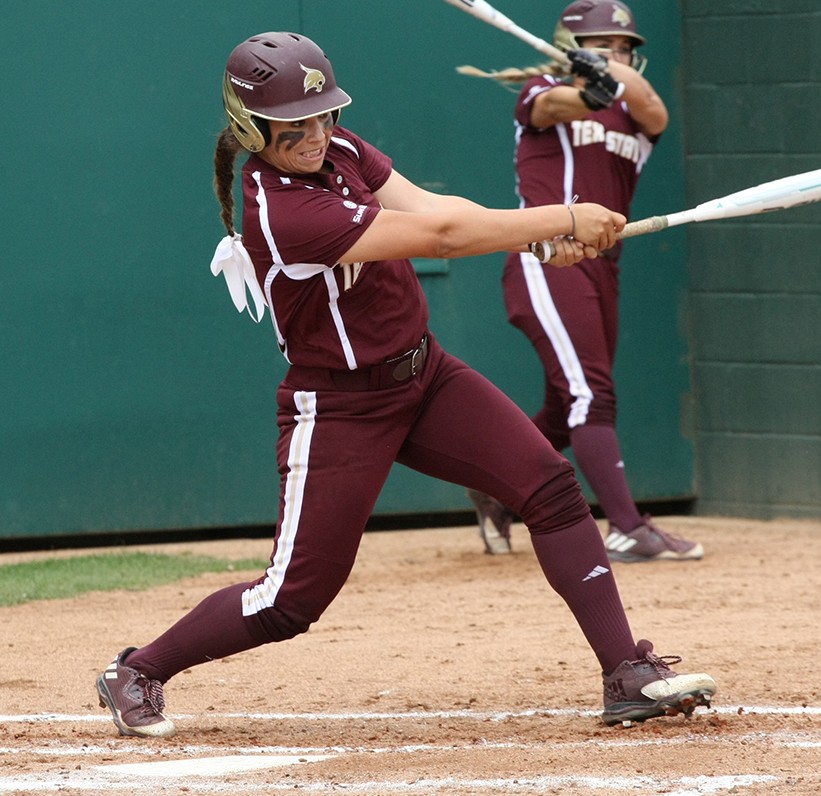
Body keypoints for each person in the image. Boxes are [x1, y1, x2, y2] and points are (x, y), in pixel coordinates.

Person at [94, 30, 715, 739]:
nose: (316, 132)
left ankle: (626, 674)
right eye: (294, 123)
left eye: (324, 112)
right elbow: (442, 238)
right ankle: (136, 671)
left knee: (550, 487)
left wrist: (540, 238)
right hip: (339, 407)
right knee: (291, 601)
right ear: (249, 126)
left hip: (425, 375)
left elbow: (430, 207)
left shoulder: (344, 149)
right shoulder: (283, 212)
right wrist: (563, 217)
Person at [459, 0, 705, 563]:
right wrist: (588, 85)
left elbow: (651, 108)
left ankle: (495, 489)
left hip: (602, 266)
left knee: (567, 404)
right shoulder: (540, 90)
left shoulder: (637, 114)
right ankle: (625, 526)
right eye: (603, 45)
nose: (618, 55)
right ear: (569, 48)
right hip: (547, 258)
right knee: (590, 393)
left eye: (624, 48)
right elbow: (553, 106)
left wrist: (607, 73)